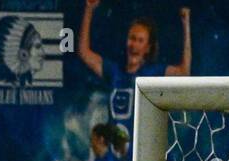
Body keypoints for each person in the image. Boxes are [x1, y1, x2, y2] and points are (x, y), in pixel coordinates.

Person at [78, 2, 191, 142]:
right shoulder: (114, 71)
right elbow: (84, 52)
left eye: (140, 41)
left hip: (142, 152)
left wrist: (186, 25)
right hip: (116, 154)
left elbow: (184, 72)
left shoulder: (153, 73)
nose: (134, 45)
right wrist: (89, 9)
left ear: (148, 48)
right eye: (132, 38)